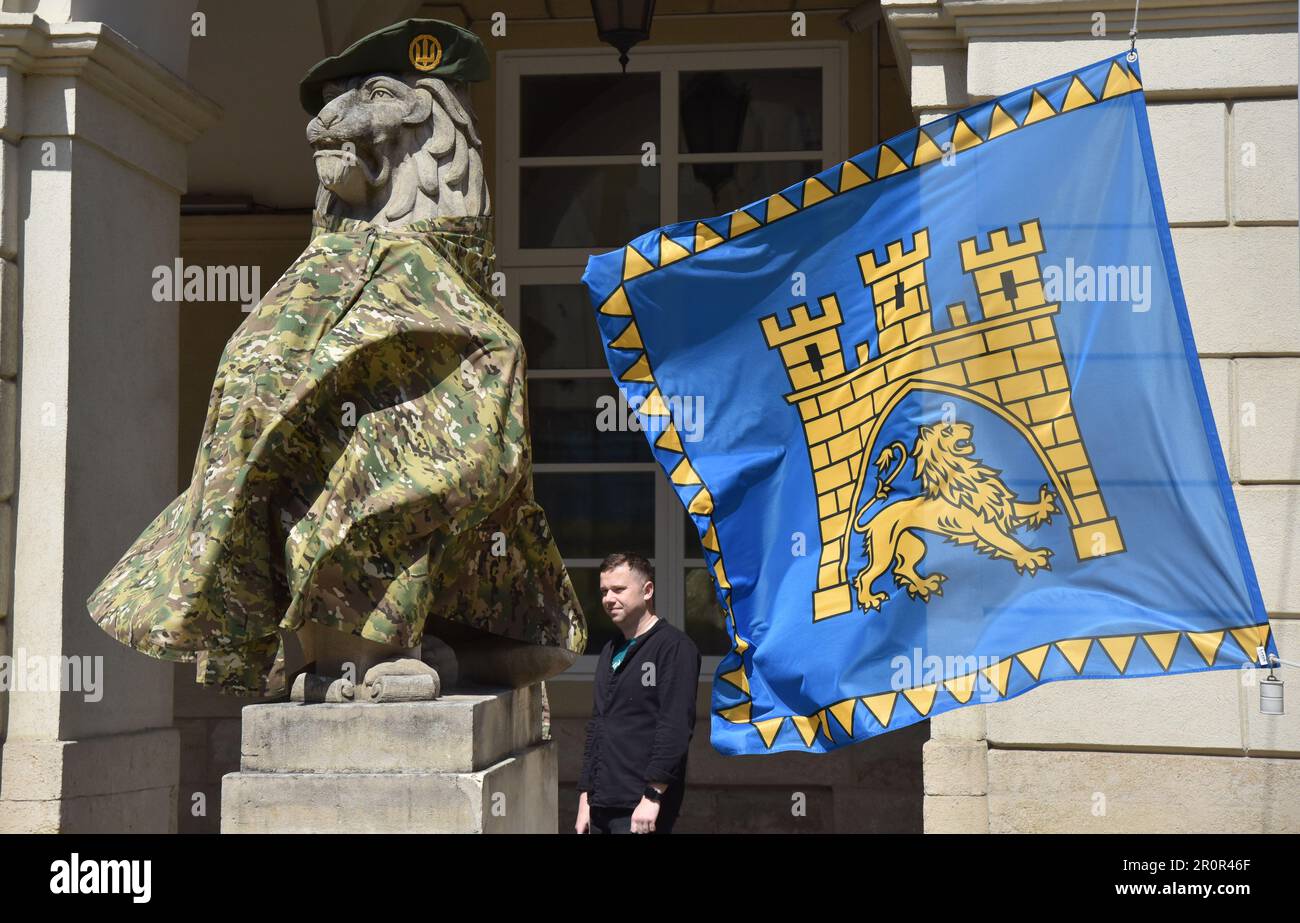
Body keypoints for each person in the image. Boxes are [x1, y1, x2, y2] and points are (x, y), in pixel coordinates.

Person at [575, 552, 701, 834]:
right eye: (604, 591)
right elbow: (598, 725)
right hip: (601, 802)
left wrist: (654, 795)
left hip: (640, 805)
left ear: (647, 591)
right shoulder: (610, 649)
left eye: (619, 589)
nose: (609, 598)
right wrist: (586, 795)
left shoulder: (674, 648)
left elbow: (676, 726)